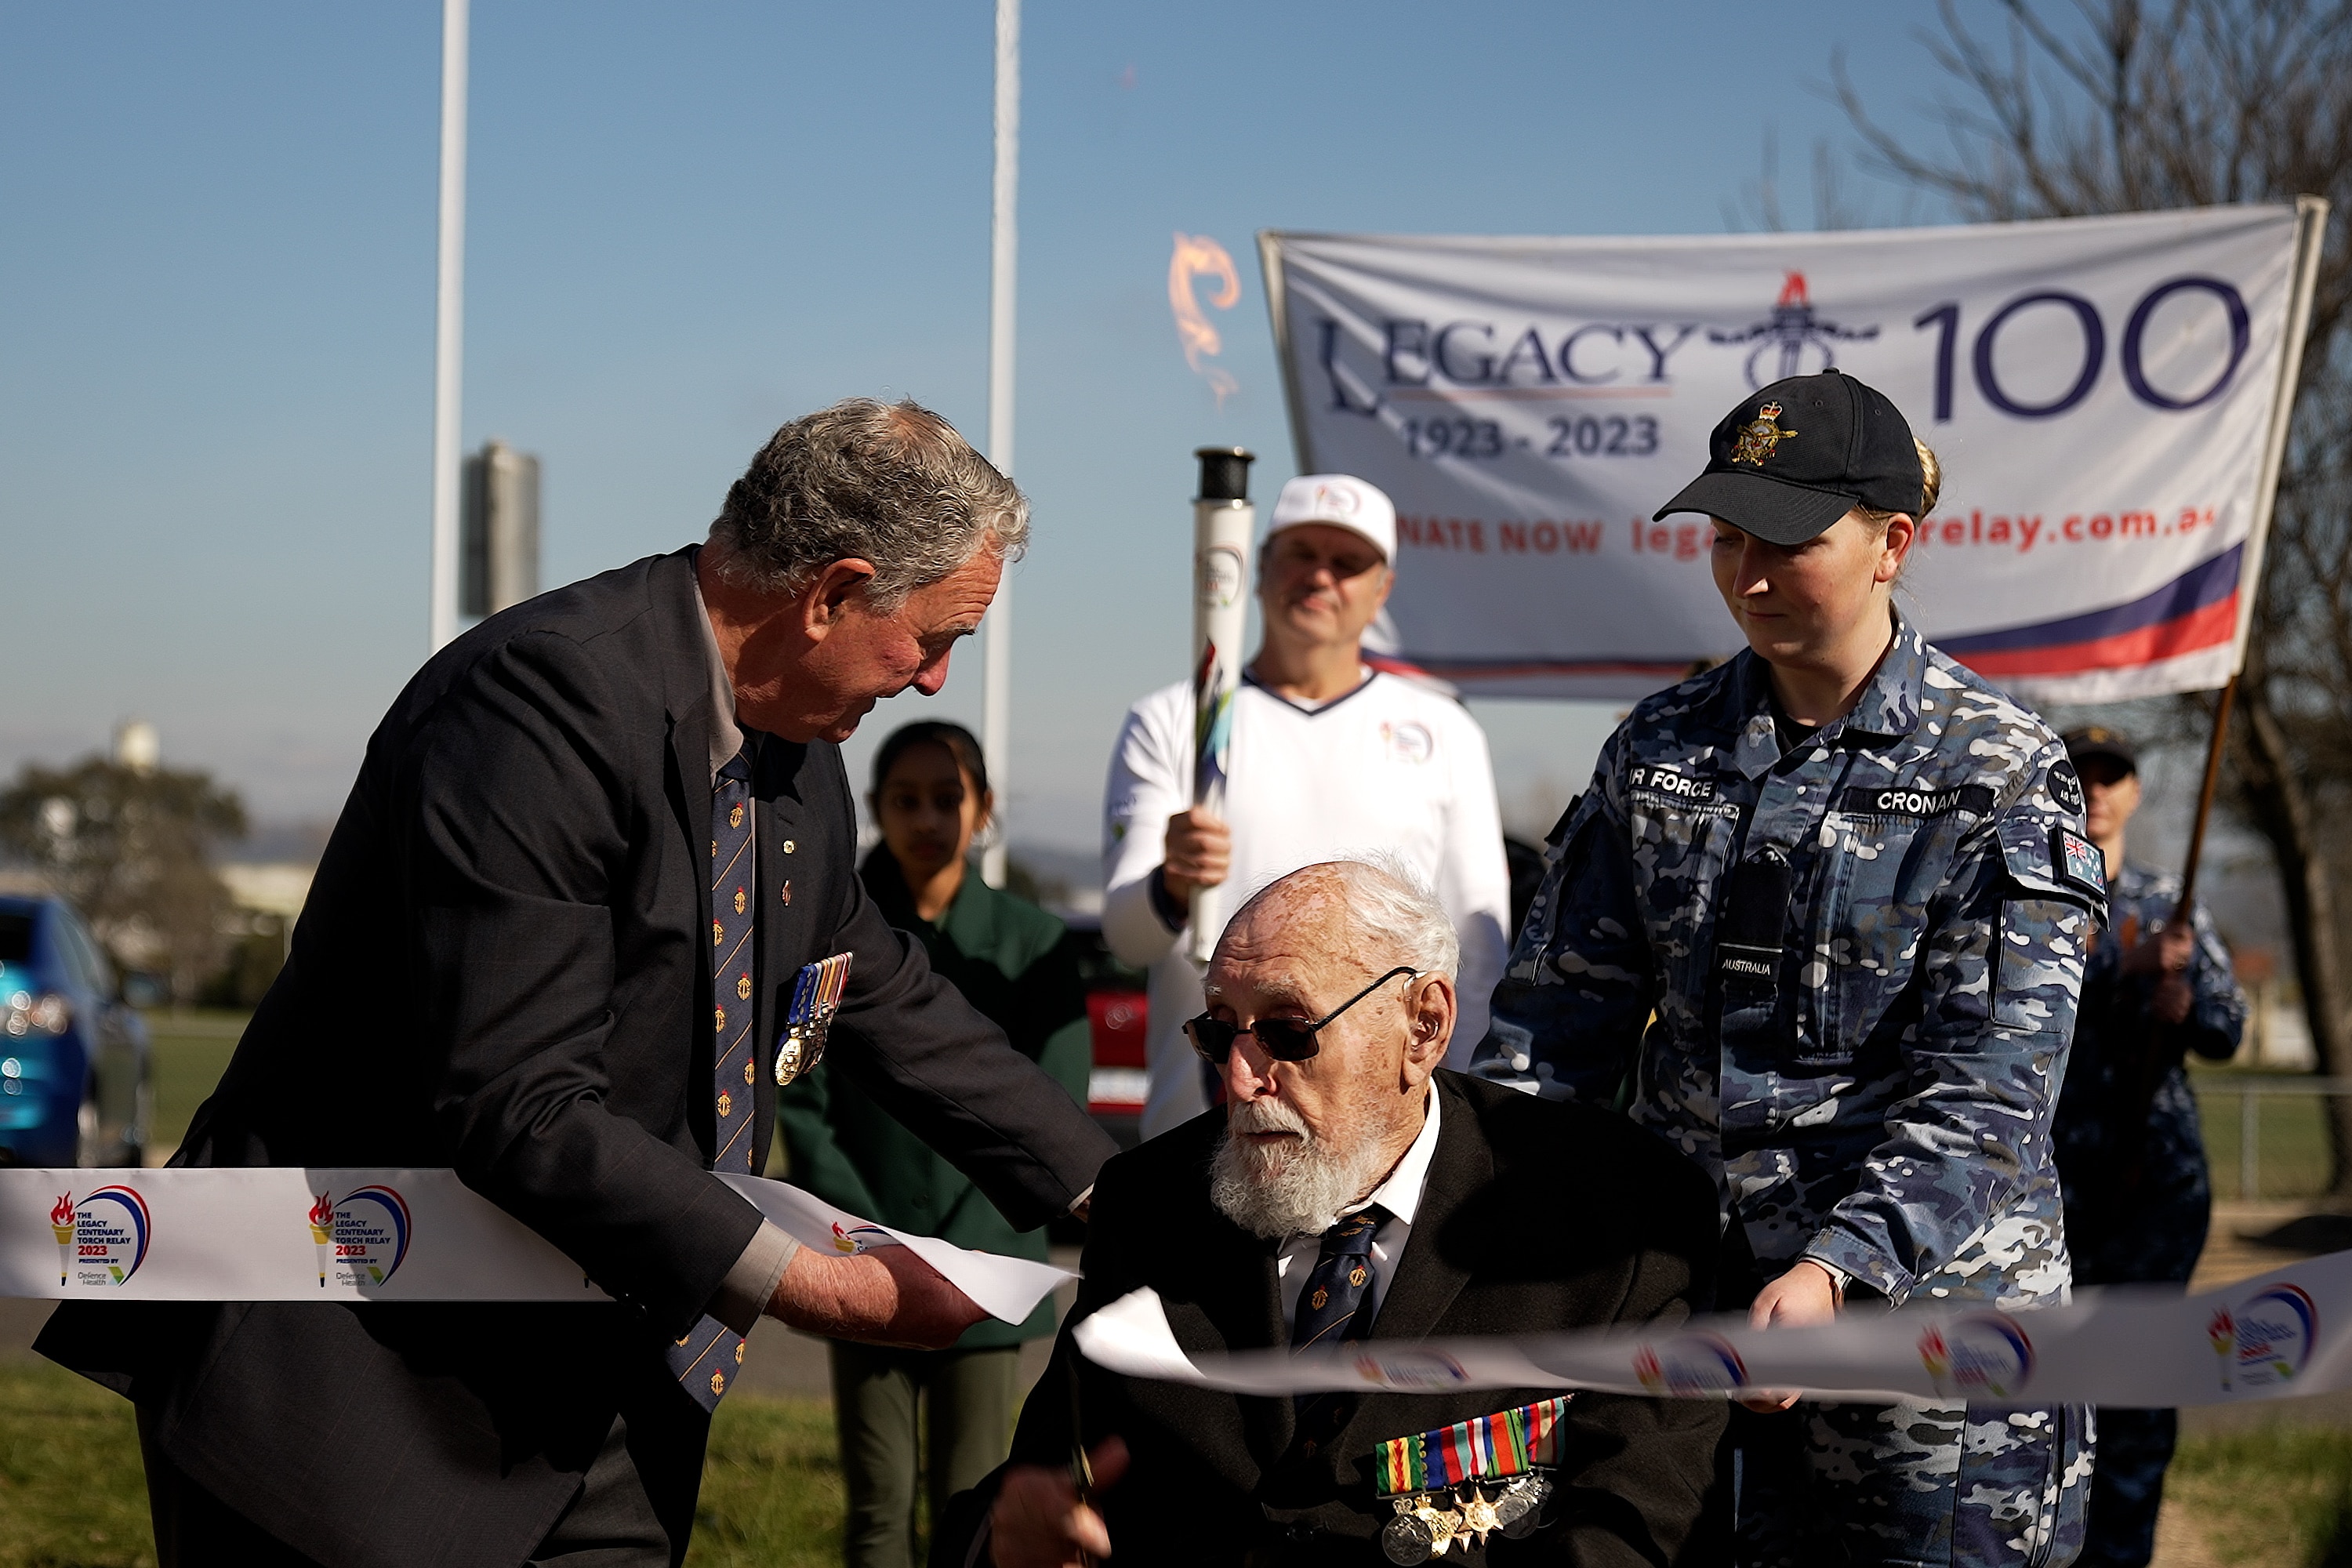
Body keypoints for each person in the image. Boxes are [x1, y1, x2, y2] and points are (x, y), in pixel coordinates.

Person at [38, 398, 1118, 1568]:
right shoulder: (537, 705)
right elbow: (521, 1103)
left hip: (609, 1399)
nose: (935, 683)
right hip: (355, 1401)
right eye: (933, 636)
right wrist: (813, 1289)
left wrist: (1124, 1198)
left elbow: (886, 996)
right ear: (831, 593)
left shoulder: (798, 760)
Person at [1474, 370, 2107, 1566]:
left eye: (1786, 543)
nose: (1748, 578)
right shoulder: (1660, 751)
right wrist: (1496, 1228)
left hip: (1927, 1353)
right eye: (1724, 541)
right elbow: (1556, 1029)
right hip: (1689, 1320)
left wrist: (1838, 1267)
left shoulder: (2001, 773)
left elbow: (1994, 1091)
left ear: (1891, 544)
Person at [943, 858, 1726, 1568]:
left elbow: (1632, 1526)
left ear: (1423, 1025)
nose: (1243, 1078)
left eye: (1289, 1030)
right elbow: (1038, 1484)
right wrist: (1005, 1540)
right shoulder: (1152, 1205)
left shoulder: (1615, 1219)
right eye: (1220, 1031)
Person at [1102, 473, 1512, 1139]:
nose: (1321, 577)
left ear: (1382, 589)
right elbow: (1128, 934)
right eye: (1301, 553)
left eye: (1348, 563)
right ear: (1259, 569)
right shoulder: (1173, 720)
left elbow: (1477, 953)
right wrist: (1172, 883)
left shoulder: (1444, 731)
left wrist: (1470, 1117)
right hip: (1206, 1124)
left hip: (1380, 1135)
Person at [778, 720, 1092, 1568]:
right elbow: (796, 1088)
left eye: (947, 797)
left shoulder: (1039, 944)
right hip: (861, 1254)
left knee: (977, 1504)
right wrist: (863, 1226)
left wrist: (961, 1248)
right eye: (903, 799)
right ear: (874, 809)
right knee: (878, 1507)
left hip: (987, 1270)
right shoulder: (829, 928)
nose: (926, 817)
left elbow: (1053, 1106)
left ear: (983, 808)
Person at [2050, 725, 2247, 1568]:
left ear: (2134, 791)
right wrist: (2119, 967)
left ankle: (2123, 1549)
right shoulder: (2037, 891)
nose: (2096, 788)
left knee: (2140, 1383)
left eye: (2113, 774)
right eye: (2080, 773)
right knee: (2055, 1384)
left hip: (2152, 1185)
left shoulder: (2174, 904)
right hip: (2056, 1187)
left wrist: (2186, 1000)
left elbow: (2229, 1028)